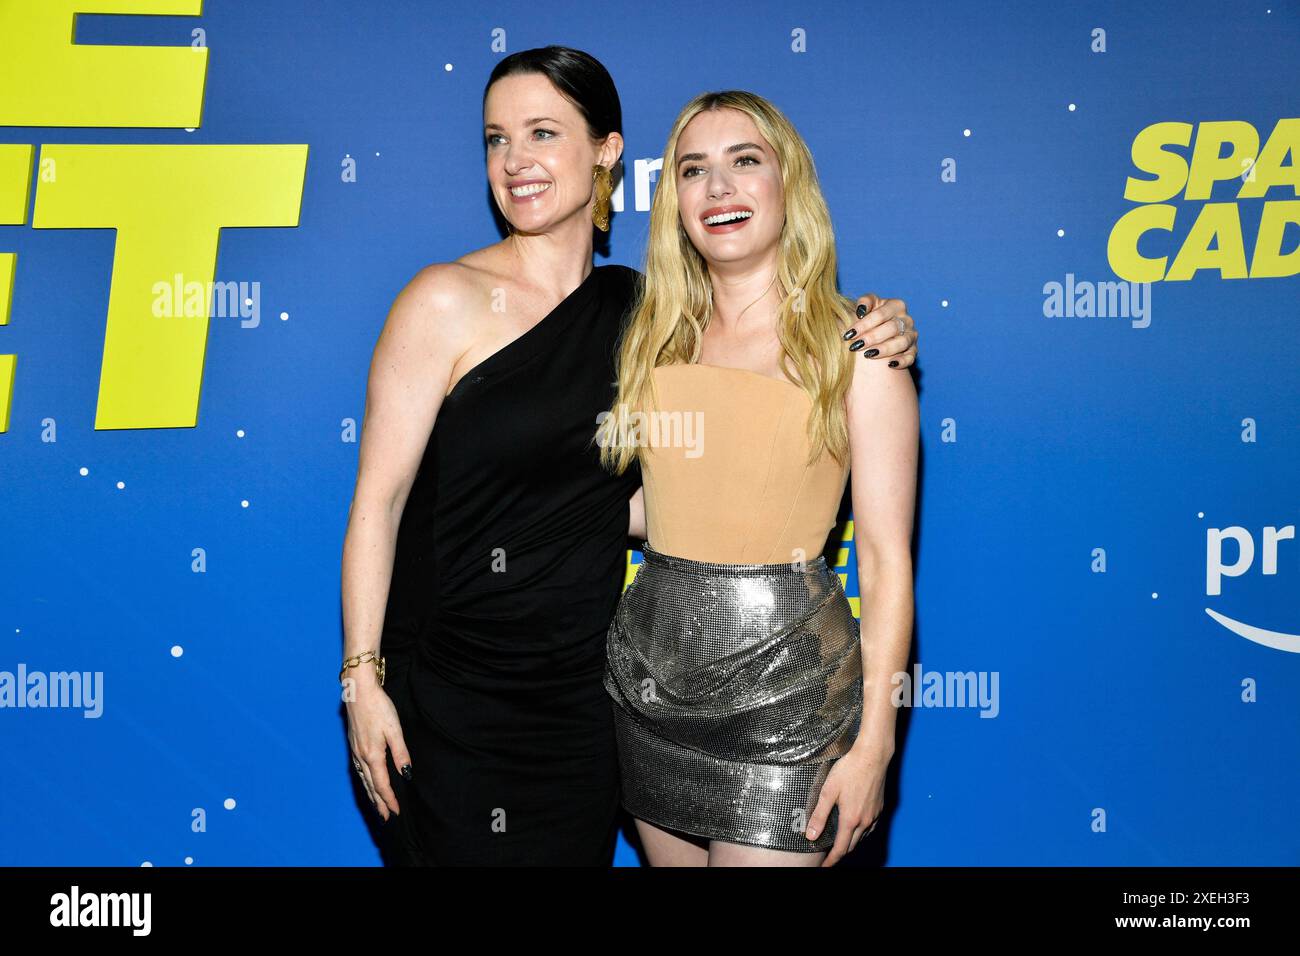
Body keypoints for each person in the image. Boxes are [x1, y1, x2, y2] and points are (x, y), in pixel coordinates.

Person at [340, 46, 919, 866]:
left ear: (607, 152)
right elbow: (381, 502)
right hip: (492, 693)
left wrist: (874, 746)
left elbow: (864, 551)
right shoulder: (484, 307)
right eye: (496, 139)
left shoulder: (650, 320)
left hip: (643, 702)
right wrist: (362, 674)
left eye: (543, 132)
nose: (517, 161)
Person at [599, 90, 918, 867]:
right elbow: (660, 507)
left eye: (745, 162)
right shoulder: (651, 339)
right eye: (693, 170)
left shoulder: (862, 348)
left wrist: (875, 745)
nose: (719, 188)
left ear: (789, 184)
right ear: (672, 200)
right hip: (649, 681)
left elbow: (882, 560)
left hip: (789, 697)